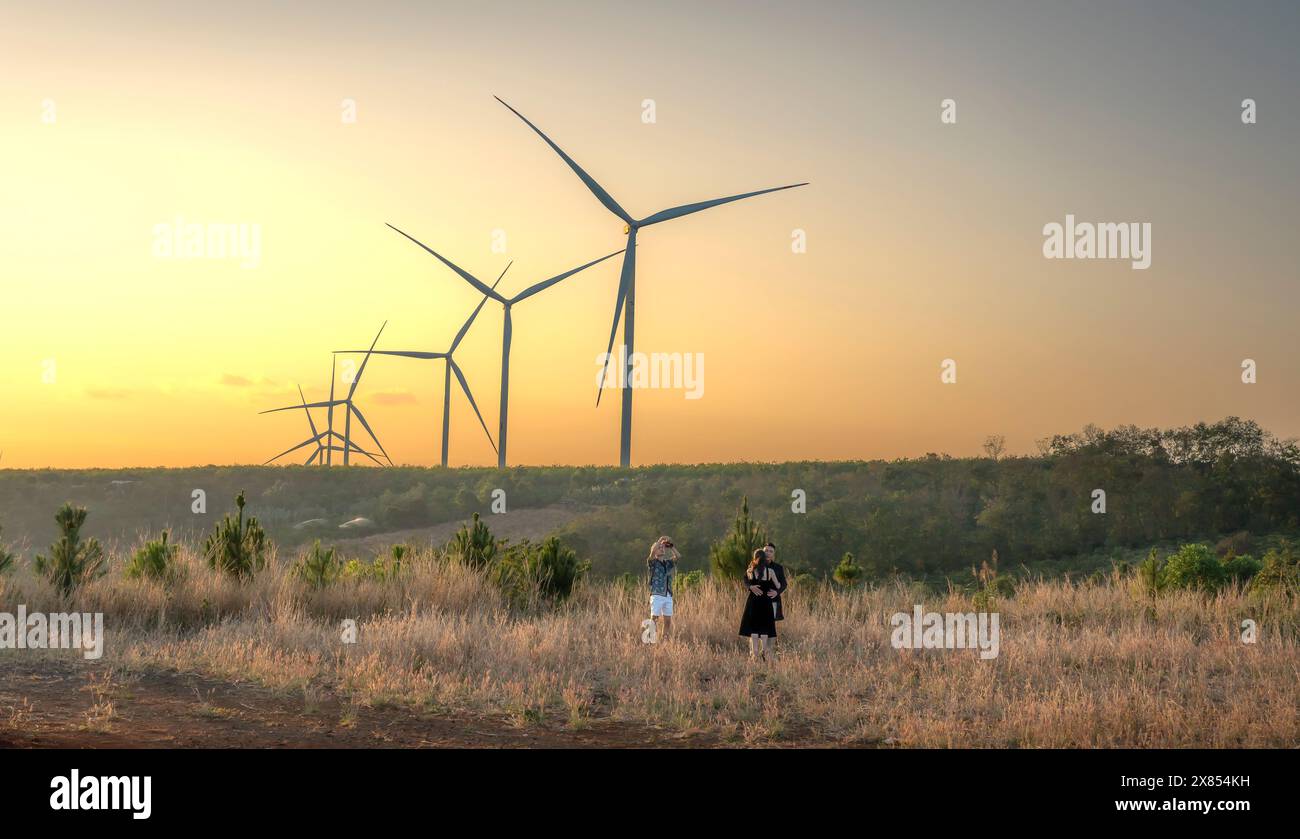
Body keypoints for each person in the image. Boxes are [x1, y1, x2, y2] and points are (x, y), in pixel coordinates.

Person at [738, 548, 777, 659]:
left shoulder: (750, 571)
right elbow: (778, 585)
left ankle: (754, 653)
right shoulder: (770, 571)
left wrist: (750, 587)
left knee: (754, 629)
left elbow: (745, 581)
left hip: (754, 602)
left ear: (755, 558)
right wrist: (773, 590)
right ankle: (764, 651)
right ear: (765, 559)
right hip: (766, 602)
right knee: (764, 628)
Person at [647, 536, 679, 642]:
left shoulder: (668, 563)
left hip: (668, 594)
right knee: (654, 618)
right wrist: (659, 541)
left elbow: (678, 556)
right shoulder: (652, 563)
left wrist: (671, 546)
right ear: (655, 551)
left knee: (668, 621)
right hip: (656, 594)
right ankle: (650, 640)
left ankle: (664, 641)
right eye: (659, 548)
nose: (662, 548)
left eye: (663, 547)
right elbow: (651, 554)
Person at [764, 543, 788, 650]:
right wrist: (752, 587)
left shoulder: (778, 568)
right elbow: (747, 579)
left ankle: (769, 650)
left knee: (770, 625)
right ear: (762, 552)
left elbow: (784, 584)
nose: (768, 553)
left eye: (770, 551)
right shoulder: (755, 565)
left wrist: (776, 592)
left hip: (773, 601)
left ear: (773, 554)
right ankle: (759, 650)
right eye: (766, 550)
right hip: (757, 601)